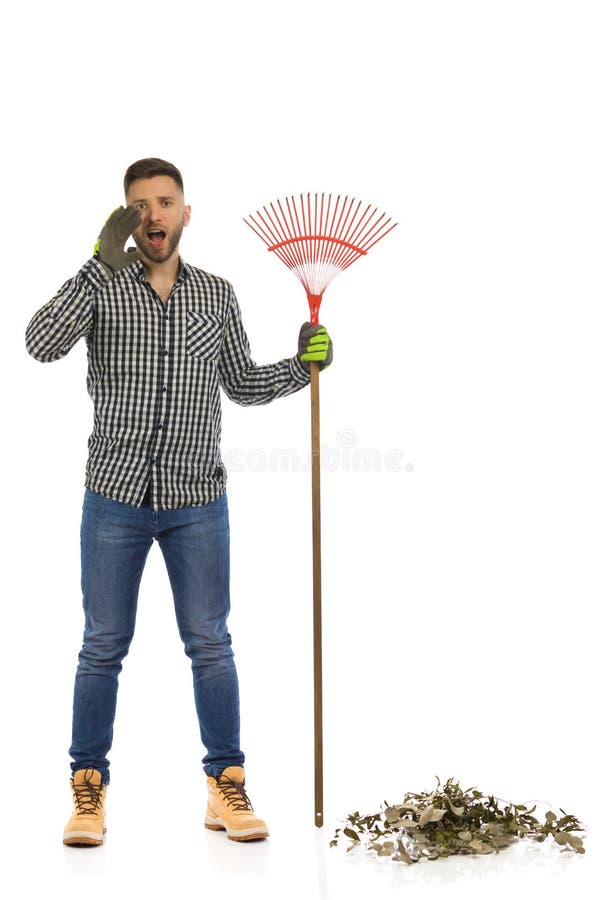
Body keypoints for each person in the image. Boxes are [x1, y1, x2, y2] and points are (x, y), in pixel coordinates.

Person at [25, 158, 332, 846]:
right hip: (115, 498)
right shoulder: (103, 288)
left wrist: (300, 365)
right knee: (102, 646)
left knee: (211, 644)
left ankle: (225, 784)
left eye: (165, 202)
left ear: (186, 213)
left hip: (198, 499)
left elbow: (244, 385)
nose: (154, 215)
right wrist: (93, 266)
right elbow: (39, 343)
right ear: (127, 220)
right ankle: (87, 790)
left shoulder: (216, 296)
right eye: (140, 206)